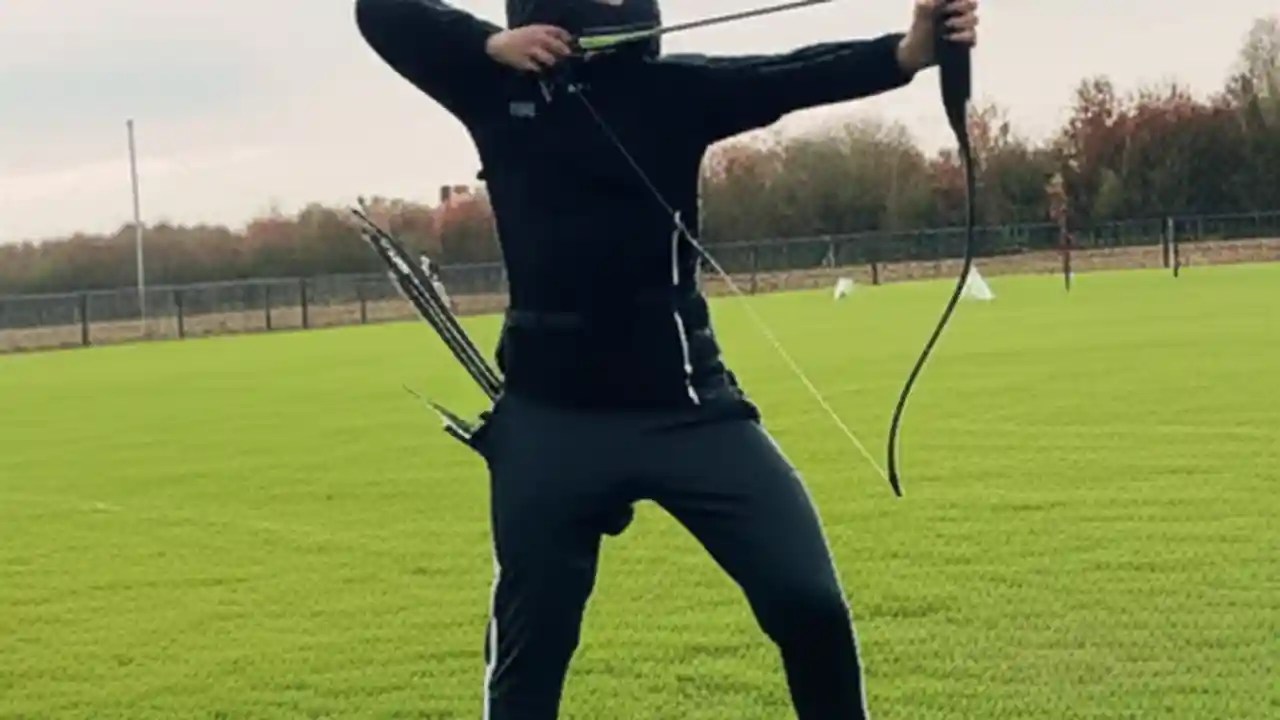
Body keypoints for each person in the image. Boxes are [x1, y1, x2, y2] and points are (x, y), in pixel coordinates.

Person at [354, 1, 979, 718]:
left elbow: (785, 74)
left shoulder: (673, 89)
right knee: (530, 662)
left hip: (690, 413)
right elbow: (381, 12)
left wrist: (906, 53)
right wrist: (491, 43)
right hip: (549, 422)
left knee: (808, 603)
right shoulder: (492, 88)